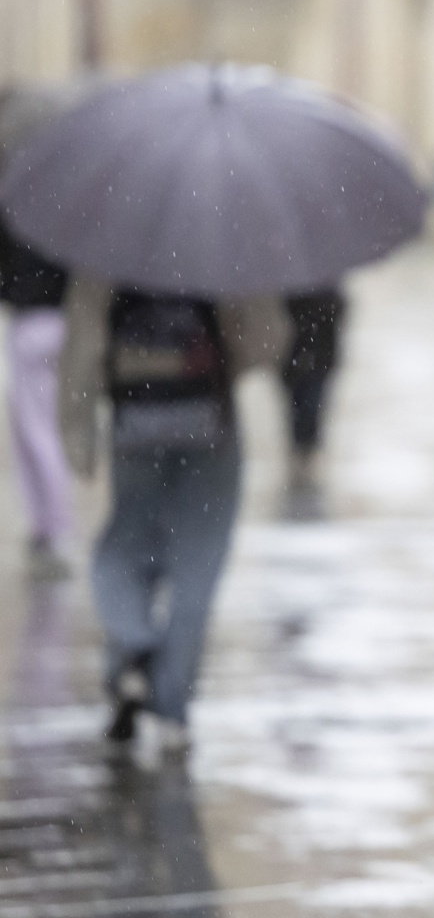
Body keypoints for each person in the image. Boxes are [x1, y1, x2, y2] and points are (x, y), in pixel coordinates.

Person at [59, 277, 288, 753]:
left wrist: (79, 431)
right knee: (197, 570)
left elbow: (81, 344)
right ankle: (172, 712)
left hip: (135, 422)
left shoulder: (109, 242)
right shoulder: (227, 240)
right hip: (210, 423)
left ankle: (133, 646)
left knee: (123, 548)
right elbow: (270, 339)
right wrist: (222, 358)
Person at [0, 86, 82, 580]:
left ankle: (54, 528)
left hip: (32, 323)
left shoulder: (12, 194)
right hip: (68, 320)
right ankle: (50, 527)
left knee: (36, 432)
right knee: (51, 427)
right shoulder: (74, 192)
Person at [280, 286, 346, 480]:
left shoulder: (325, 288)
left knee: (309, 402)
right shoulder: (322, 286)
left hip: (314, 356)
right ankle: (302, 447)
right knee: (302, 402)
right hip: (299, 356)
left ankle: (305, 447)